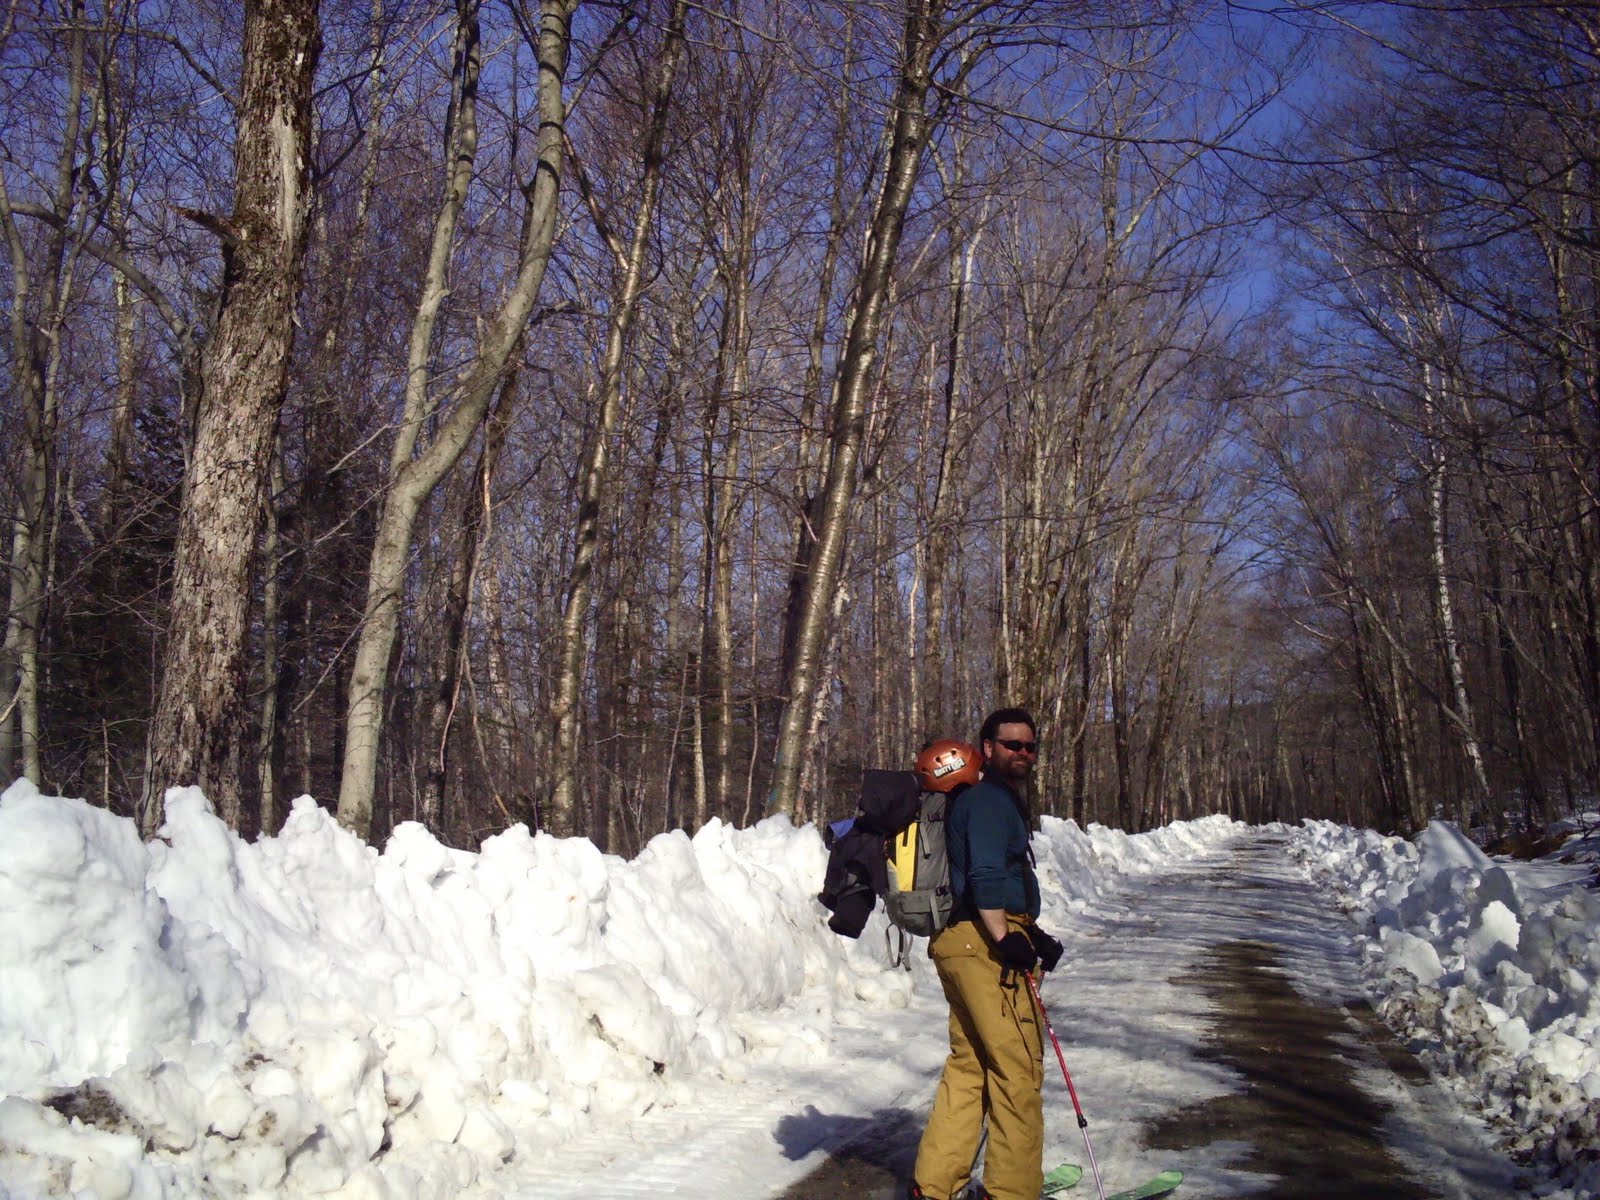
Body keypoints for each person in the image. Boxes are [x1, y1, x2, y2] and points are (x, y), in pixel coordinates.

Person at [910, 707, 1065, 1200]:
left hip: (958, 940)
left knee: (971, 1064)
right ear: (988, 747)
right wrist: (1005, 936)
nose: (1022, 753)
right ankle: (1012, 1193)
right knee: (1018, 1069)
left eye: (1029, 746)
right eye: (1011, 744)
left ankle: (933, 1187)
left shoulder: (975, 801)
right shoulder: (990, 801)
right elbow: (985, 874)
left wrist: (1030, 931)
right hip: (982, 943)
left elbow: (988, 874)